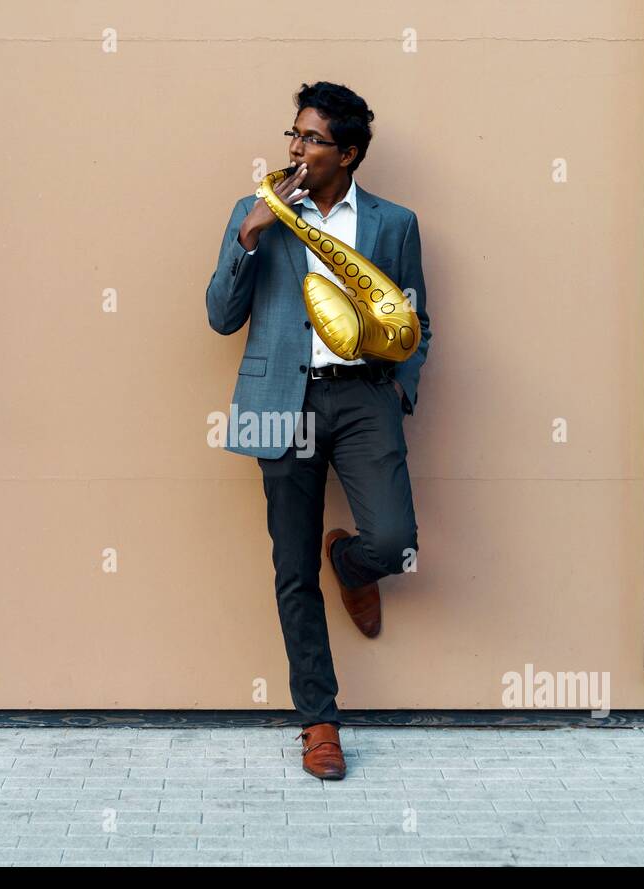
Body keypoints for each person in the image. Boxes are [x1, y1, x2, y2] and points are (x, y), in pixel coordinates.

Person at [205, 81, 432, 780]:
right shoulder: (256, 211)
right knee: (292, 568)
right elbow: (220, 315)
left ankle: (354, 562)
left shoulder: (394, 223)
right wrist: (250, 237)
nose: (296, 148)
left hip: (364, 397)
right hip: (282, 400)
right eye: (294, 135)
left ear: (349, 153)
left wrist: (399, 388)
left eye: (311, 139)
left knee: (395, 542)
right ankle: (319, 722)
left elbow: (414, 321)